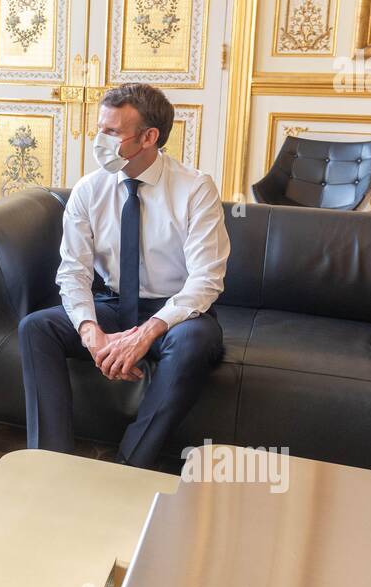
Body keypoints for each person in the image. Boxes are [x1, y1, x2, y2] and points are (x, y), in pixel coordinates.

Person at [18, 82, 230, 469]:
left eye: (112, 132)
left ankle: (130, 465)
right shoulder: (88, 190)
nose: (100, 140)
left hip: (175, 315)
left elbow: (206, 280)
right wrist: (91, 333)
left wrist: (147, 333)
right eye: (100, 128)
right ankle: (49, 461)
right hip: (115, 305)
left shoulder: (195, 189)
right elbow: (73, 271)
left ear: (149, 137)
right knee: (37, 328)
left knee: (194, 344)